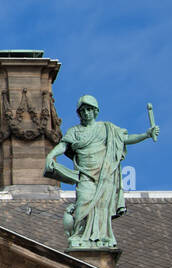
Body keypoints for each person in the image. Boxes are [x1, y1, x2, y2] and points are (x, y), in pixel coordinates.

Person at [44, 94, 159, 249]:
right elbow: (63, 146)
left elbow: (125, 139)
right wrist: (51, 155)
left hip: (104, 175)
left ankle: (102, 237)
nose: (86, 113)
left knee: (102, 207)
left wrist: (146, 134)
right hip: (85, 174)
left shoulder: (107, 129)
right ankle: (80, 235)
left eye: (89, 110)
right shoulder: (75, 131)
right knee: (83, 203)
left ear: (95, 111)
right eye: (82, 111)